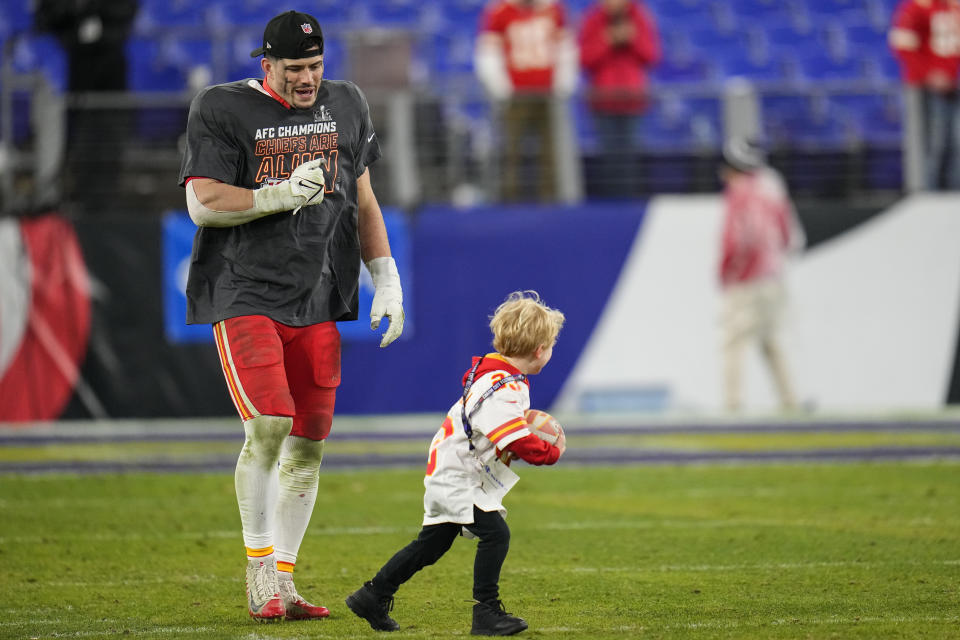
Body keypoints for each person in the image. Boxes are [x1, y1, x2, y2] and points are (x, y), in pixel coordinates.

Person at [177, 10, 405, 622]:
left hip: (318, 295)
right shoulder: (224, 107)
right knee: (270, 425)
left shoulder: (347, 103)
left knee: (309, 443)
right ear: (266, 64)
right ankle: (257, 572)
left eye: (315, 65)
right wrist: (279, 195)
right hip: (245, 288)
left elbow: (362, 196)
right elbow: (202, 202)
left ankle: (283, 578)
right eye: (294, 67)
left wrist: (387, 278)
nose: (307, 78)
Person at [345, 291, 566, 636]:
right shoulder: (504, 386)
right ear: (540, 351)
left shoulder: (494, 374)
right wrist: (548, 451)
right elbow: (515, 439)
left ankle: (371, 595)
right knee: (496, 535)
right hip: (457, 475)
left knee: (431, 545)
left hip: (451, 468)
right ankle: (487, 611)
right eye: (551, 346)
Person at [718, 138, 803, 413]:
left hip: (748, 278)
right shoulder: (772, 186)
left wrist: (727, 270)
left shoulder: (740, 192)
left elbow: (738, 239)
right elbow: (789, 233)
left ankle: (733, 403)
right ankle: (789, 399)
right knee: (771, 341)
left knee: (733, 342)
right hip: (774, 276)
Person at [474, 0, 578, 203]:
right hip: (515, 98)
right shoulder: (500, 12)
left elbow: (567, 50)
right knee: (512, 152)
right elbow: (488, 54)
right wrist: (502, 89)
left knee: (550, 152)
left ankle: (551, 203)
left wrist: (562, 85)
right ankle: (510, 202)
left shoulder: (554, 10)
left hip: (548, 96)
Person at [578, 0, 661, 198]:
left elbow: (651, 55)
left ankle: (630, 200)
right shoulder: (593, 19)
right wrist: (607, 41)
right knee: (610, 156)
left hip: (633, 101)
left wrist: (632, 38)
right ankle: (612, 203)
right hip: (603, 102)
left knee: (630, 155)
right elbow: (584, 59)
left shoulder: (639, 17)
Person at [889, 0, 960, 190]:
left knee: (955, 142)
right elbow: (902, 45)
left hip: (953, 84)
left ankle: (953, 190)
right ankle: (930, 192)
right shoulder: (917, 7)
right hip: (927, 88)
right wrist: (928, 74)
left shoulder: (948, 7)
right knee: (933, 143)